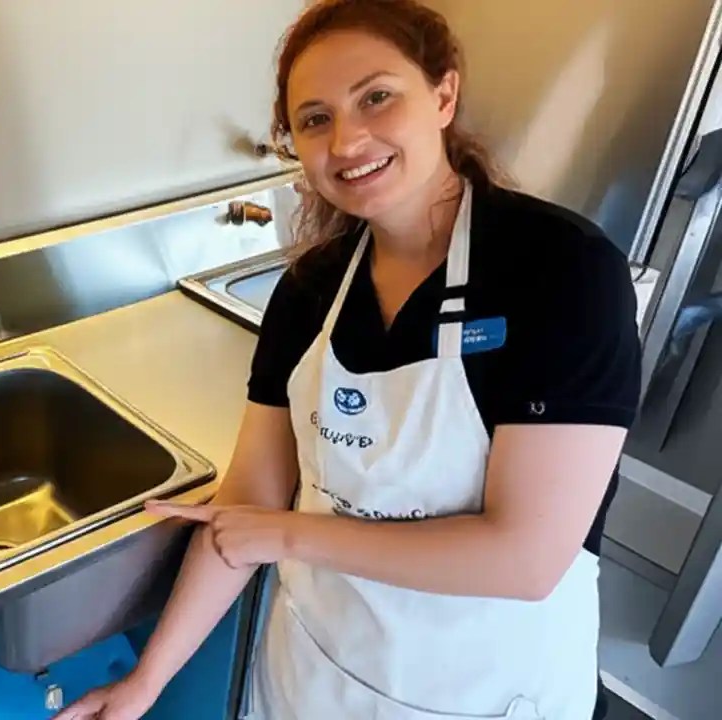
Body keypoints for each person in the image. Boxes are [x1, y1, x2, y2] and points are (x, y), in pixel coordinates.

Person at [57, 0, 641, 718]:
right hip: (315, 679)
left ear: (443, 95)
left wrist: (290, 533)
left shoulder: (563, 272)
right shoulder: (311, 289)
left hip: (492, 693)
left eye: (376, 97)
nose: (348, 140)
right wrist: (142, 685)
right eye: (316, 119)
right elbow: (248, 506)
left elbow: (523, 558)